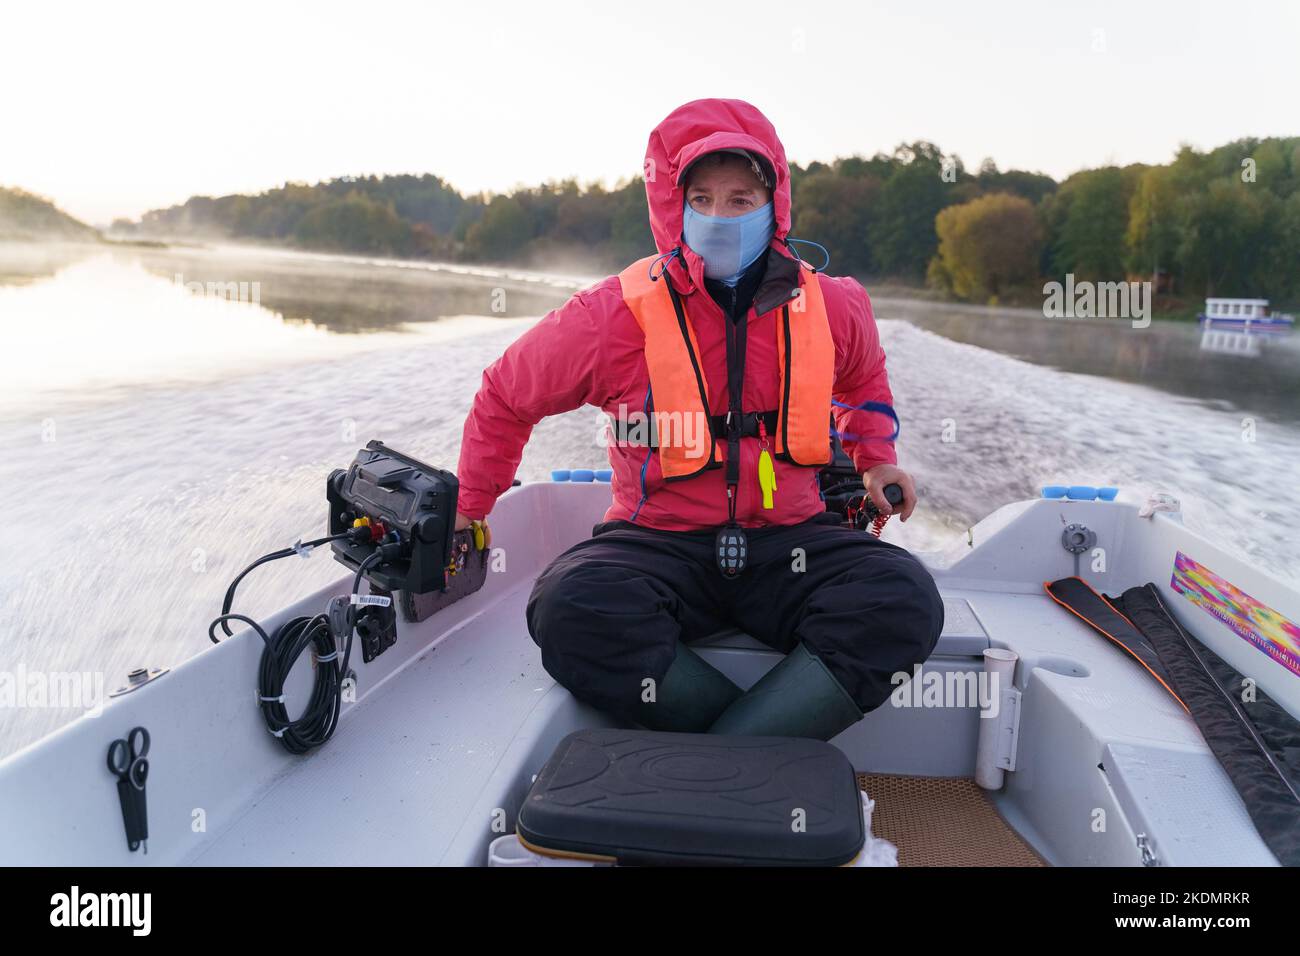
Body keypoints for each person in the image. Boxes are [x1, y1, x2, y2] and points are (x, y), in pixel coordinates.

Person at [454, 98, 943, 741]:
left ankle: (717, 755)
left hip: (789, 542)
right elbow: (505, 395)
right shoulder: (612, 314)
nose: (720, 215)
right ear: (673, 206)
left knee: (902, 598)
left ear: (775, 206)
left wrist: (875, 456)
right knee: (571, 608)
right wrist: (470, 504)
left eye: (741, 199)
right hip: (658, 542)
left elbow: (863, 380)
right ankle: (749, 751)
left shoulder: (835, 306)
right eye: (703, 198)